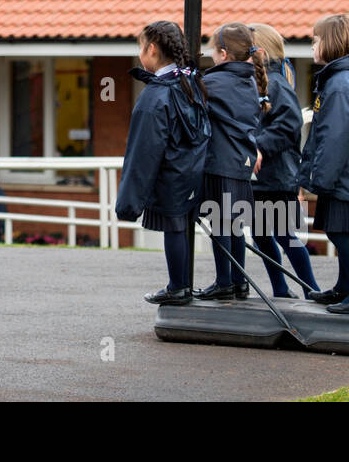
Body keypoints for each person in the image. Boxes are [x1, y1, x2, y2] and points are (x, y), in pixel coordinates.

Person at [114, 20, 209, 306]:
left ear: (152, 49)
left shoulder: (155, 96)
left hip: (170, 176)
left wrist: (127, 204)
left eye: (140, 46)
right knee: (180, 226)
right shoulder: (191, 82)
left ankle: (178, 287)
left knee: (174, 229)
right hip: (192, 171)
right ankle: (181, 286)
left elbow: (142, 154)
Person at [300, 14, 349, 314]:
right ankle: (344, 287)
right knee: (337, 230)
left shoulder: (339, 85)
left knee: (339, 233)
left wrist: (319, 179)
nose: (311, 46)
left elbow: (335, 139)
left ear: (330, 44)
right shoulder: (347, 80)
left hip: (342, 178)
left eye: (315, 40)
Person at [194, 22, 268, 300]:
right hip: (241, 163)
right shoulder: (249, 80)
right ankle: (238, 281)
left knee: (220, 225)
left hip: (220, 162)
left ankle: (224, 281)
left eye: (212, 50)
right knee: (235, 224)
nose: (210, 55)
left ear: (223, 53)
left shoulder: (214, 82)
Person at [247, 23, 318, 296]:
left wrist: (259, 147)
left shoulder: (276, 85)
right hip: (268, 178)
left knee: (284, 236)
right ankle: (282, 288)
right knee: (265, 236)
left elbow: (290, 123)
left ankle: (310, 288)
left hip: (277, 178)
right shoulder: (271, 83)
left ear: (260, 52)